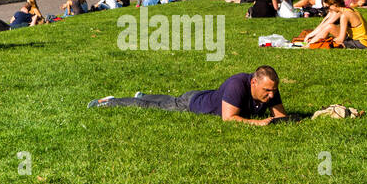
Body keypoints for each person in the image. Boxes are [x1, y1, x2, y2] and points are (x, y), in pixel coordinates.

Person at [91, 66, 287, 125]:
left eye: (273, 91)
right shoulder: (238, 84)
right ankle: (110, 101)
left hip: (202, 95)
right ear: (254, 82)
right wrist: (259, 123)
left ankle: (143, 94)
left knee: (168, 100)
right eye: (267, 91)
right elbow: (229, 118)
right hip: (194, 104)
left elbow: (280, 117)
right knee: (156, 106)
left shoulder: (270, 91)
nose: (271, 95)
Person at [303, 0, 367, 48]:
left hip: (360, 43)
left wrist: (326, 40)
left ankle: (309, 45)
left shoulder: (344, 15)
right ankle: (310, 44)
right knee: (329, 27)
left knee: (328, 37)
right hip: (360, 40)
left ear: (335, 5)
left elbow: (340, 39)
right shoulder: (346, 9)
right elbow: (325, 23)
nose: (328, 10)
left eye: (328, 7)